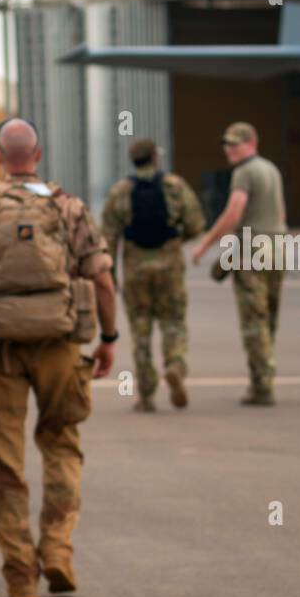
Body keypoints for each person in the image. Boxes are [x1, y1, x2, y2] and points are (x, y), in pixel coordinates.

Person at [0, 118, 117, 597]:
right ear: (37, 155)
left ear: (0, 158)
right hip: (59, 346)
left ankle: (19, 574)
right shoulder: (67, 206)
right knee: (61, 443)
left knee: (3, 464)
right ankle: (57, 551)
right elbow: (101, 277)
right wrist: (109, 337)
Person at [100, 138, 204, 412]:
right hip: (169, 266)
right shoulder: (175, 186)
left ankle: (146, 395)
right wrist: (174, 241)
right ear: (155, 158)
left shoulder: (120, 192)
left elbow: (108, 238)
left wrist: (110, 275)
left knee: (140, 331)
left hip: (135, 270)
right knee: (174, 321)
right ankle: (175, 365)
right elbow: (196, 224)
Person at [190, 122, 288, 406]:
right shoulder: (271, 169)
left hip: (253, 249)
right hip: (277, 246)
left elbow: (234, 213)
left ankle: (262, 385)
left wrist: (205, 244)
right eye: (227, 145)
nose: (229, 150)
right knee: (269, 316)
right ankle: (265, 372)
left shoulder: (244, 173)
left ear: (251, 142)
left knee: (253, 319)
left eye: (235, 144)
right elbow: (281, 211)